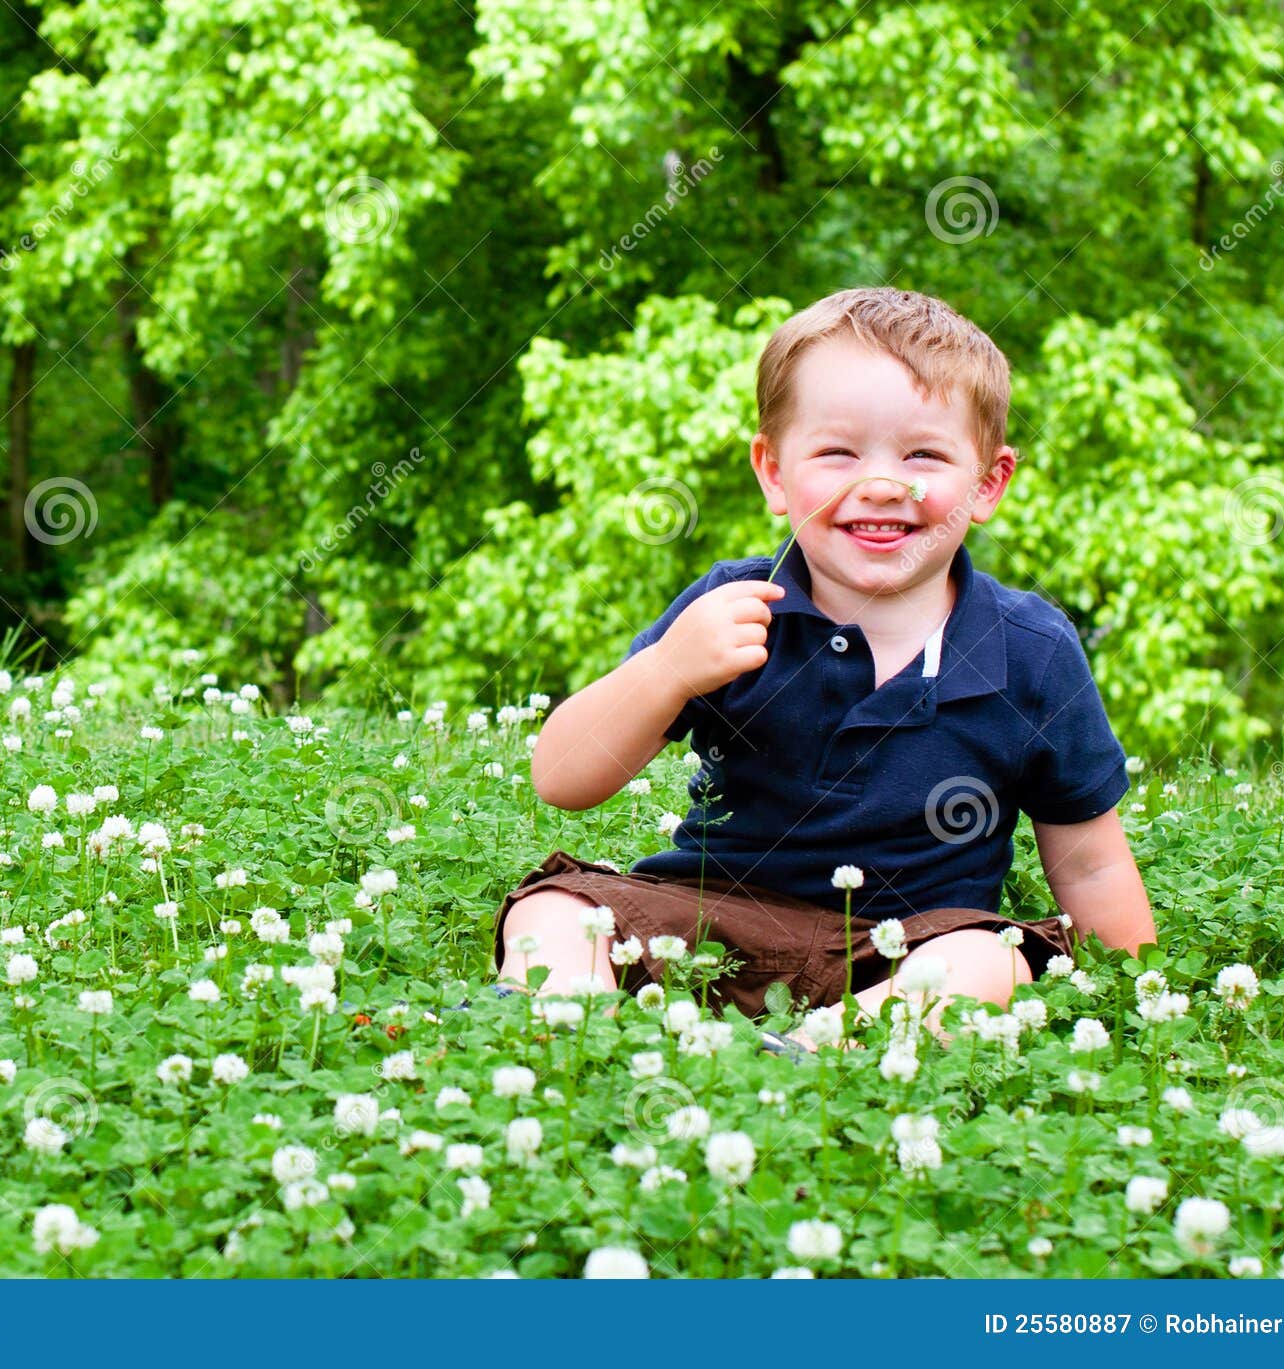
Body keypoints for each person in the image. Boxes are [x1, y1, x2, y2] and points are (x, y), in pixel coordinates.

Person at [491, 285, 1157, 1051]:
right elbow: (563, 778)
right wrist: (668, 669)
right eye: (838, 451)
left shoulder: (1030, 650)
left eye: (923, 455)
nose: (877, 484)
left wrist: (1147, 1004)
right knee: (555, 911)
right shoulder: (735, 606)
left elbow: (1094, 866)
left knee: (991, 961)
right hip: (710, 926)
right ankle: (571, 1028)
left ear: (986, 484)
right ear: (774, 472)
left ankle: (821, 1051)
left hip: (907, 948)